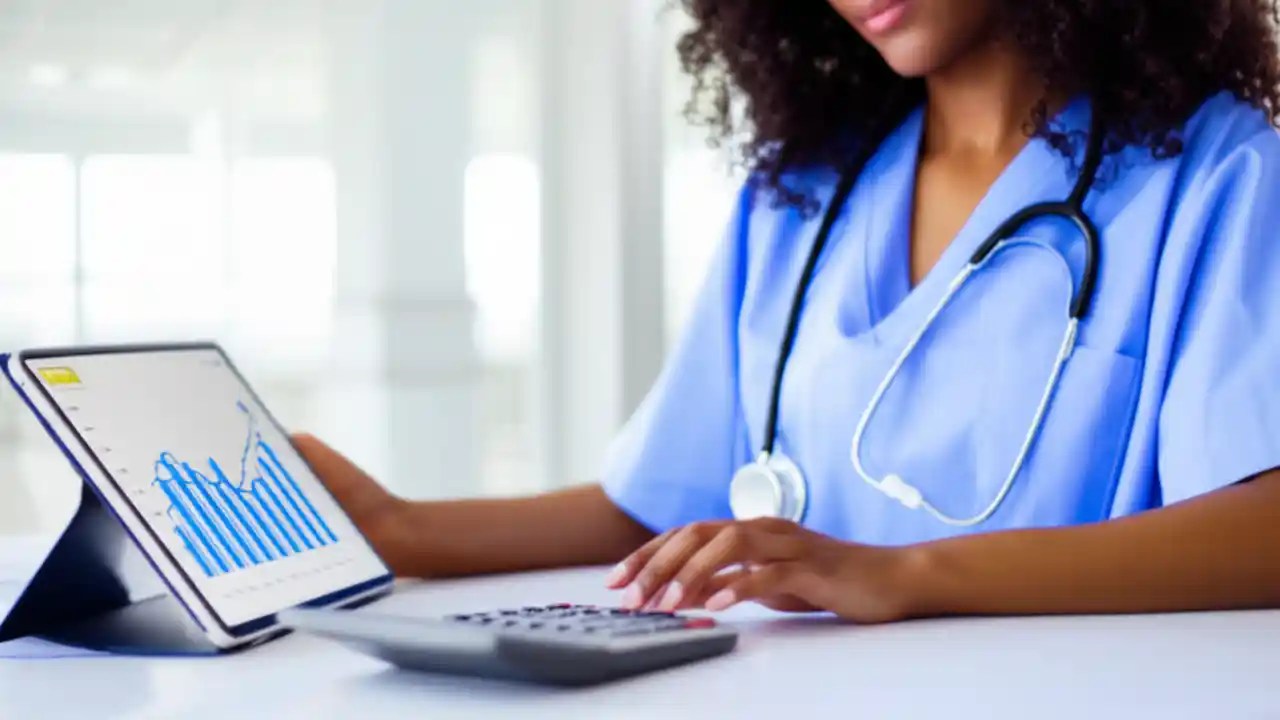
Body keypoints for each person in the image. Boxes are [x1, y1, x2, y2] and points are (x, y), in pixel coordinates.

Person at [295, 0, 1280, 623]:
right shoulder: (802, 195)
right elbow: (664, 504)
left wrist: (899, 576)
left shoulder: (1218, 176)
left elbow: (1260, 532)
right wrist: (396, 524)